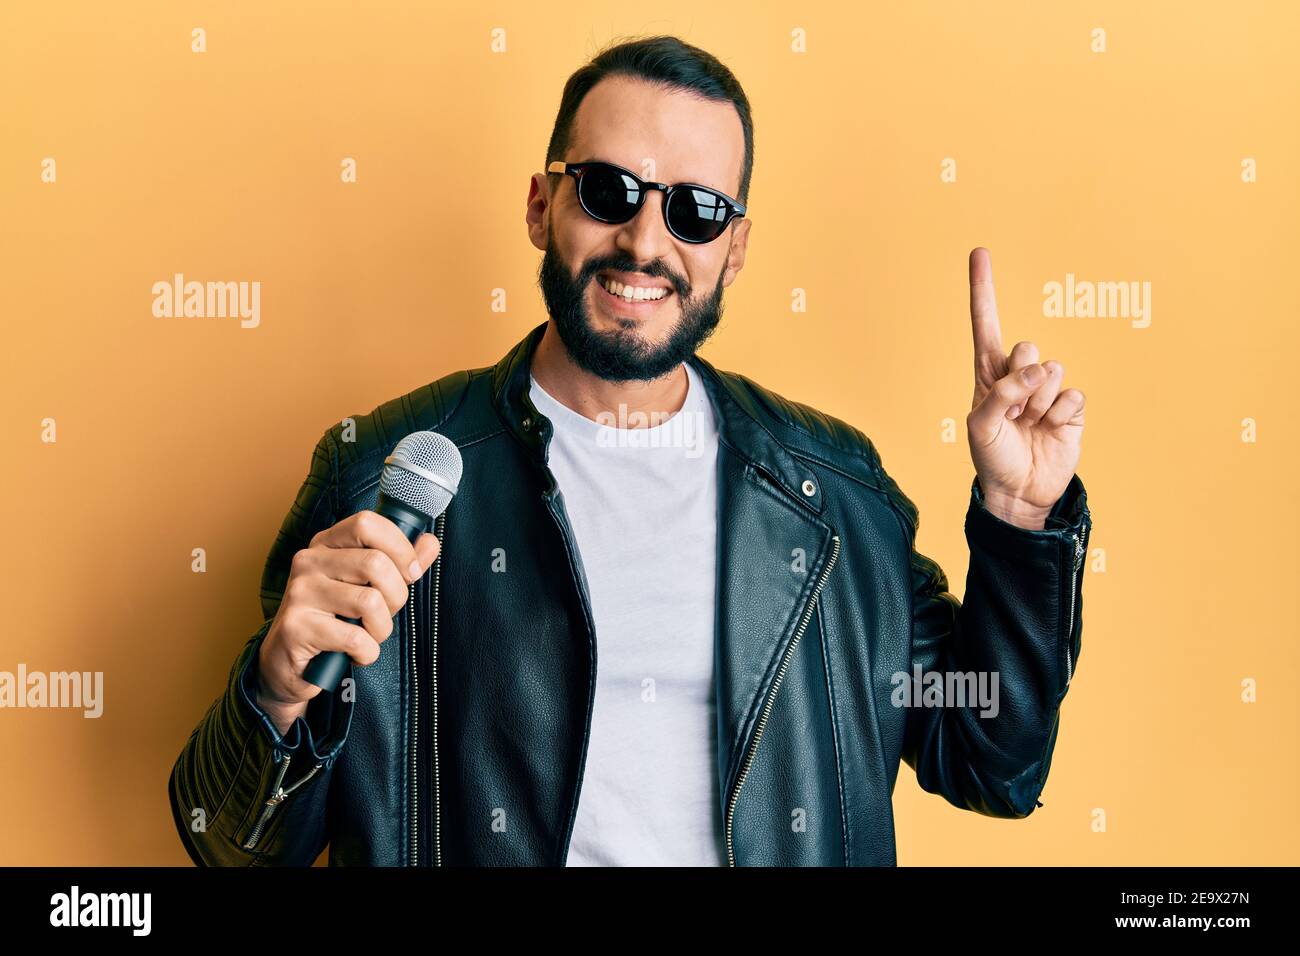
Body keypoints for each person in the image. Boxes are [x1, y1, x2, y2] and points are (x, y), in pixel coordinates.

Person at [169, 34, 1092, 867]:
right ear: (541, 206)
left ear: (733, 251)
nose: (645, 242)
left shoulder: (836, 497)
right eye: (608, 191)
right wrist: (278, 693)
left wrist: (1019, 524)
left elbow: (991, 761)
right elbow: (231, 846)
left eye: (694, 210)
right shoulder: (382, 475)